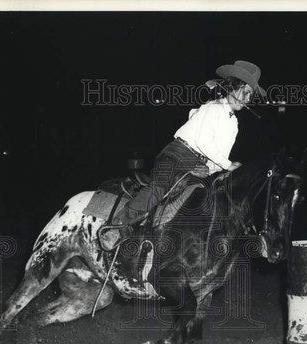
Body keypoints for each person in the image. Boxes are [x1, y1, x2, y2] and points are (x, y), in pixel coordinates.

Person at [99, 60, 266, 250]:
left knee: (201, 200)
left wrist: (214, 169)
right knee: (159, 187)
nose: (246, 99)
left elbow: (217, 154)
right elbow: (203, 142)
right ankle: (117, 228)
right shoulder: (212, 108)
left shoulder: (234, 125)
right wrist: (228, 164)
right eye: (245, 92)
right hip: (176, 155)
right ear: (234, 88)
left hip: (197, 165)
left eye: (250, 96)